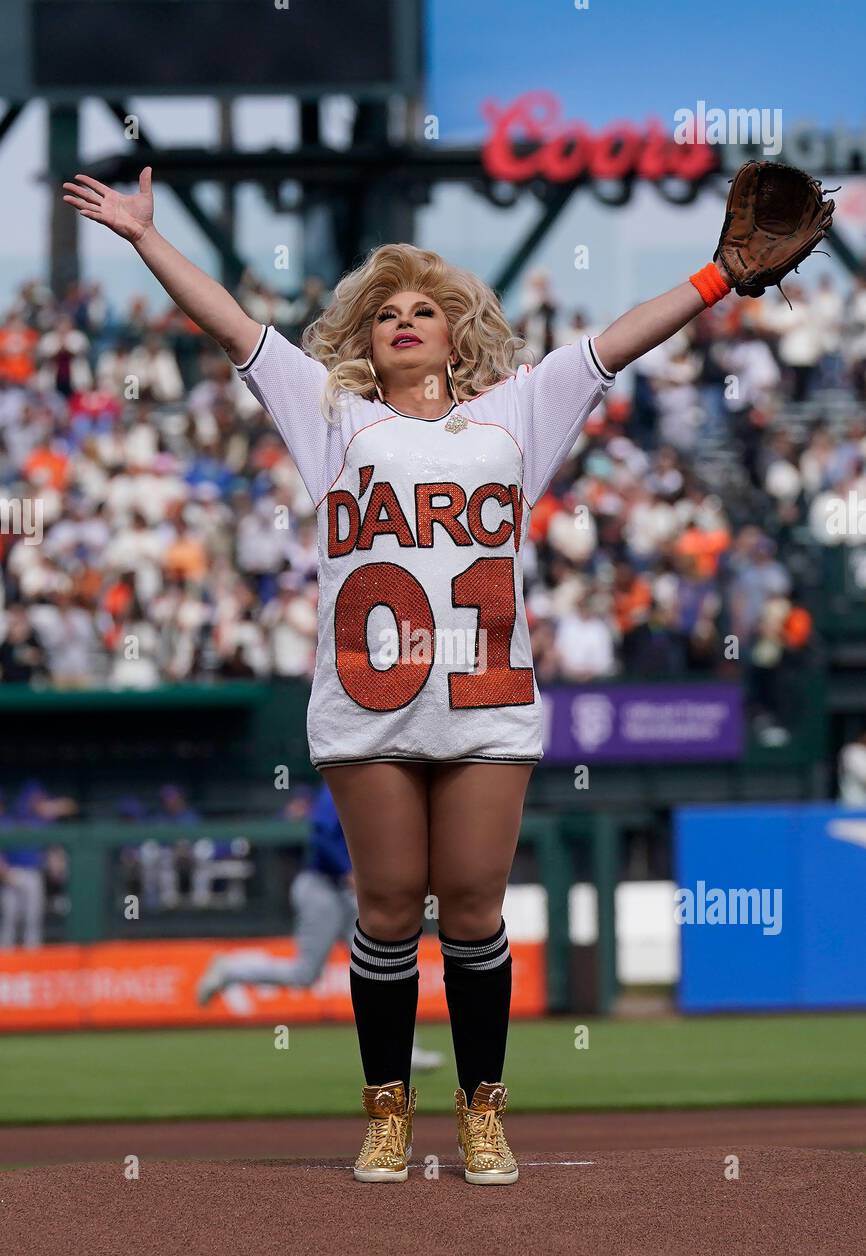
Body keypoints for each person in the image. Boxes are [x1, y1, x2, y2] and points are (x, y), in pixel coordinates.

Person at [63, 162, 800, 1185]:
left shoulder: (516, 413)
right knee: (384, 905)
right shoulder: (329, 415)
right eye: (384, 314)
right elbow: (233, 325)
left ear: (456, 332)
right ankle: (384, 1112)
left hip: (485, 698)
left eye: (423, 309)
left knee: (470, 903)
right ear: (362, 340)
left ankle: (482, 1112)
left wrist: (718, 277)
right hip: (367, 701)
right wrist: (145, 238)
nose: (403, 321)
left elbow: (620, 338)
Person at [195, 782, 443, 1073]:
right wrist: (348, 871)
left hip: (352, 894)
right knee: (305, 974)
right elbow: (320, 834)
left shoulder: (384, 788)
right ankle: (230, 969)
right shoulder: (338, 784)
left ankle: (405, 1051)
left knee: (385, 969)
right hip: (322, 888)